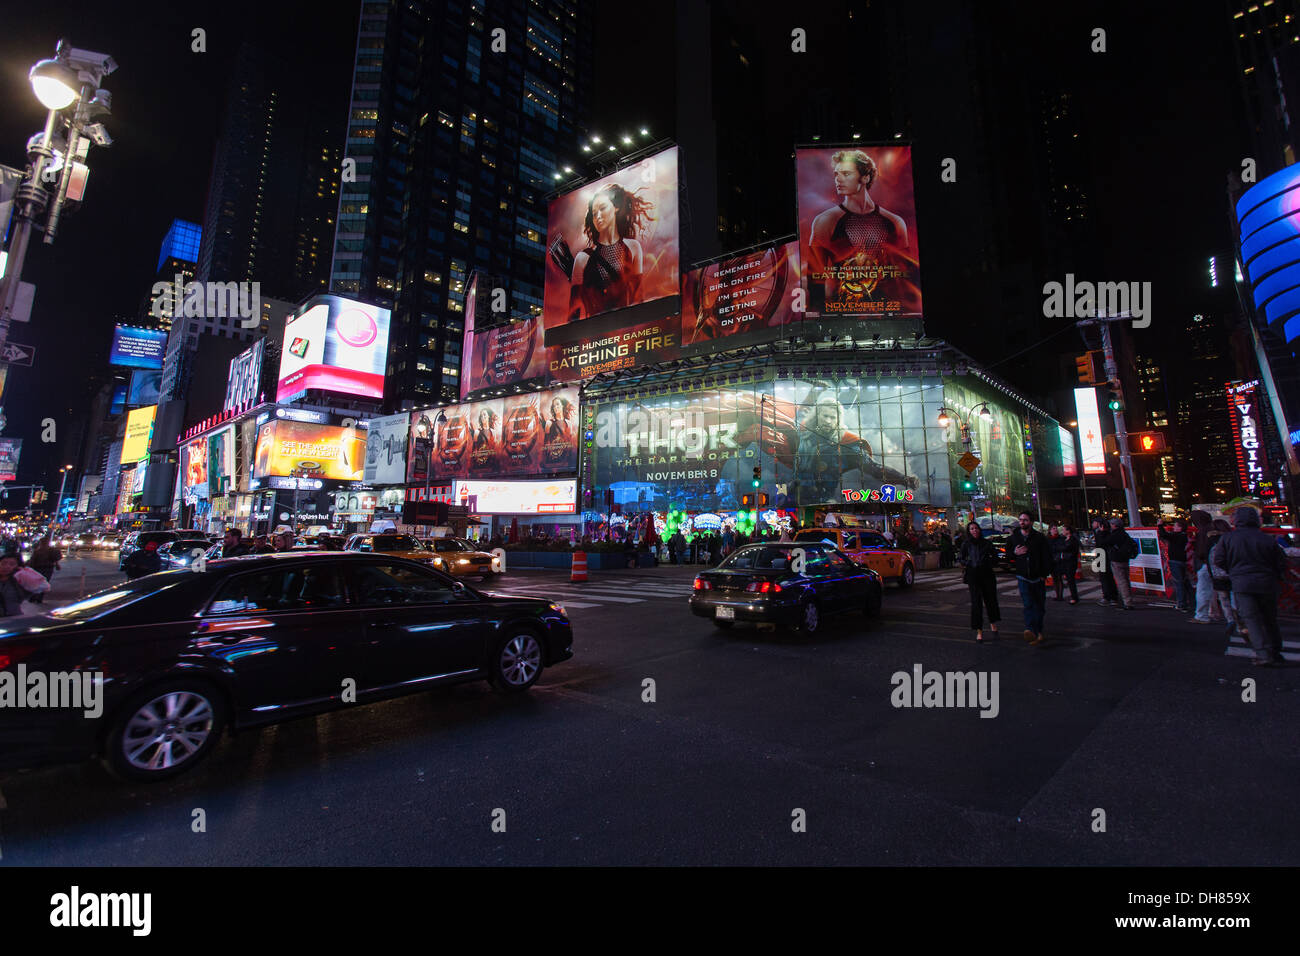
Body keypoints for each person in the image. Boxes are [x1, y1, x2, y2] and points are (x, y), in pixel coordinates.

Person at [806, 149, 911, 311]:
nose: (838, 179)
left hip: (886, 312)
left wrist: (903, 314)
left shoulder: (895, 223)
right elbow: (815, 281)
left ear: (865, 177)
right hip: (839, 314)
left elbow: (905, 278)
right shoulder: (824, 222)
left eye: (846, 174)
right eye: (836, 174)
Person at [563, 182, 652, 320]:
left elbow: (638, 298)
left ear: (616, 207)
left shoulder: (633, 248)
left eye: (602, 208)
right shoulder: (583, 258)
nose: (597, 216)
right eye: (594, 213)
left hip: (626, 328)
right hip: (594, 332)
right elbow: (573, 312)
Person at [1213, 506, 1286, 666]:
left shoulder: (1228, 538)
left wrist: (1233, 571)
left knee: (1251, 619)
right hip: (1267, 582)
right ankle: (1275, 651)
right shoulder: (1267, 539)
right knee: (1269, 619)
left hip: (1242, 582)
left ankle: (1262, 653)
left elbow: (1218, 559)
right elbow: (1281, 562)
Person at [1008, 512, 1051, 645]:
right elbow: (1008, 554)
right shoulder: (1014, 538)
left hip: (1038, 577)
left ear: (1031, 522)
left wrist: (1044, 574)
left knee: (1039, 606)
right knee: (1028, 604)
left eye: (1025, 520)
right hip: (1023, 576)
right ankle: (1030, 630)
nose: (1022, 522)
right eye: (1020, 520)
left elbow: (1047, 557)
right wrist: (1015, 553)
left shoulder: (1039, 538)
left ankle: (1038, 631)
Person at [959, 521, 1000, 643]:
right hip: (973, 576)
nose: (974, 530)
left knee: (990, 601)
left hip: (987, 575)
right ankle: (979, 631)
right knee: (976, 603)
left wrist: (988, 564)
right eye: (971, 529)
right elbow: (960, 558)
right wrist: (969, 564)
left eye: (976, 528)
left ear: (979, 530)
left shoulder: (987, 543)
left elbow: (995, 557)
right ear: (969, 531)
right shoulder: (966, 544)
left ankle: (993, 623)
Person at [1205, 519, 1238, 633]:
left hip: (1217, 574)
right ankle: (1238, 620)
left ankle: (1230, 619)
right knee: (1234, 597)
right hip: (1232, 572)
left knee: (1223, 599)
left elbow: (1207, 558)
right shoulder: (1231, 538)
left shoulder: (1210, 540)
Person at [1158, 519, 1191, 612]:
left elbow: (1164, 535)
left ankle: (1181, 604)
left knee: (1178, 582)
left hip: (1175, 560)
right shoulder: (1184, 536)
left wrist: (1160, 525)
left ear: (1180, 528)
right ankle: (1190, 602)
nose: (1173, 527)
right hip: (1182, 560)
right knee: (1184, 582)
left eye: (1175, 526)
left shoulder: (1176, 536)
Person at [1105, 517, 1138, 610]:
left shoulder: (1114, 535)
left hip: (1116, 559)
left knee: (1121, 581)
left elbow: (1105, 542)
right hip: (1125, 559)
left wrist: (1103, 532)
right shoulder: (1124, 534)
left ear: (1114, 525)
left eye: (1111, 524)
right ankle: (1128, 600)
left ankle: (1127, 602)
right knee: (1126, 580)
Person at [1189, 510, 1216, 622]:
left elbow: (1201, 551)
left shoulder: (1202, 532)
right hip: (1216, 564)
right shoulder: (1213, 529)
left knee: (1203, 590)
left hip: (1205, 564)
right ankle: (1215, 613)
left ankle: (1202, 615)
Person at [1051, 525, 1081, 604]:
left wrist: (1058, 547)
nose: (1062, 531)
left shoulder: (1072, 540)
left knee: (1071, 580)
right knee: (1067, 579)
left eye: (1064, 530)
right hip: (1065, 561)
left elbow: (1065, 548)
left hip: (1070, 562)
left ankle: (1074, 597)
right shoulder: (1065, 539)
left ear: (1068, 531)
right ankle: (1071, 596)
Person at [28, 537, 62, 604]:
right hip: (47, 568)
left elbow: (32, 561)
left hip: (40, 568)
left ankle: (34, 597)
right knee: (43, 583)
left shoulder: (38, 551)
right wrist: (57, 565)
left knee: (38, 583)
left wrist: (30, 568)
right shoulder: (50, 550)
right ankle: (38, 598)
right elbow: (56, 559)